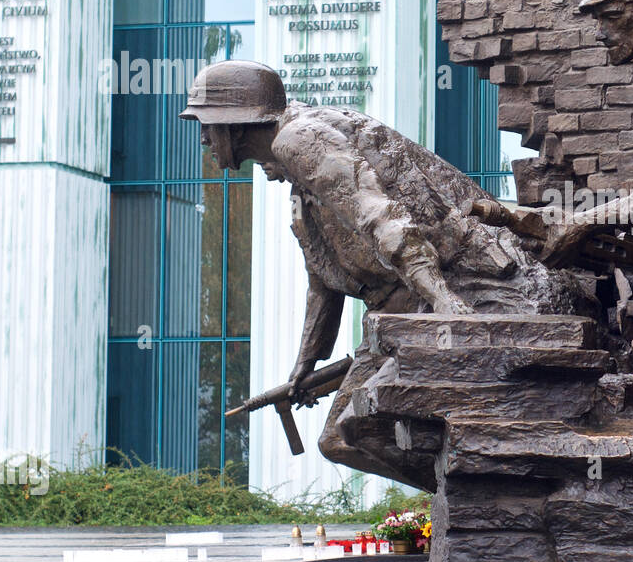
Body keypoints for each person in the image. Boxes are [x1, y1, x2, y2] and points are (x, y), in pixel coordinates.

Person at [180, 61, 582, 490]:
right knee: (338, 440)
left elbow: (381, 217)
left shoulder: (300, 139)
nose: (203, 137)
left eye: (206, 124)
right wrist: (305, 364)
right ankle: (472, 495)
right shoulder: (301, 193)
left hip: (463, 282)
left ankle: (498, 493)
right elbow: (322, 282)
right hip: (400, 308)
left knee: (374, 425)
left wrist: (445, 302)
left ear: (236, 123)